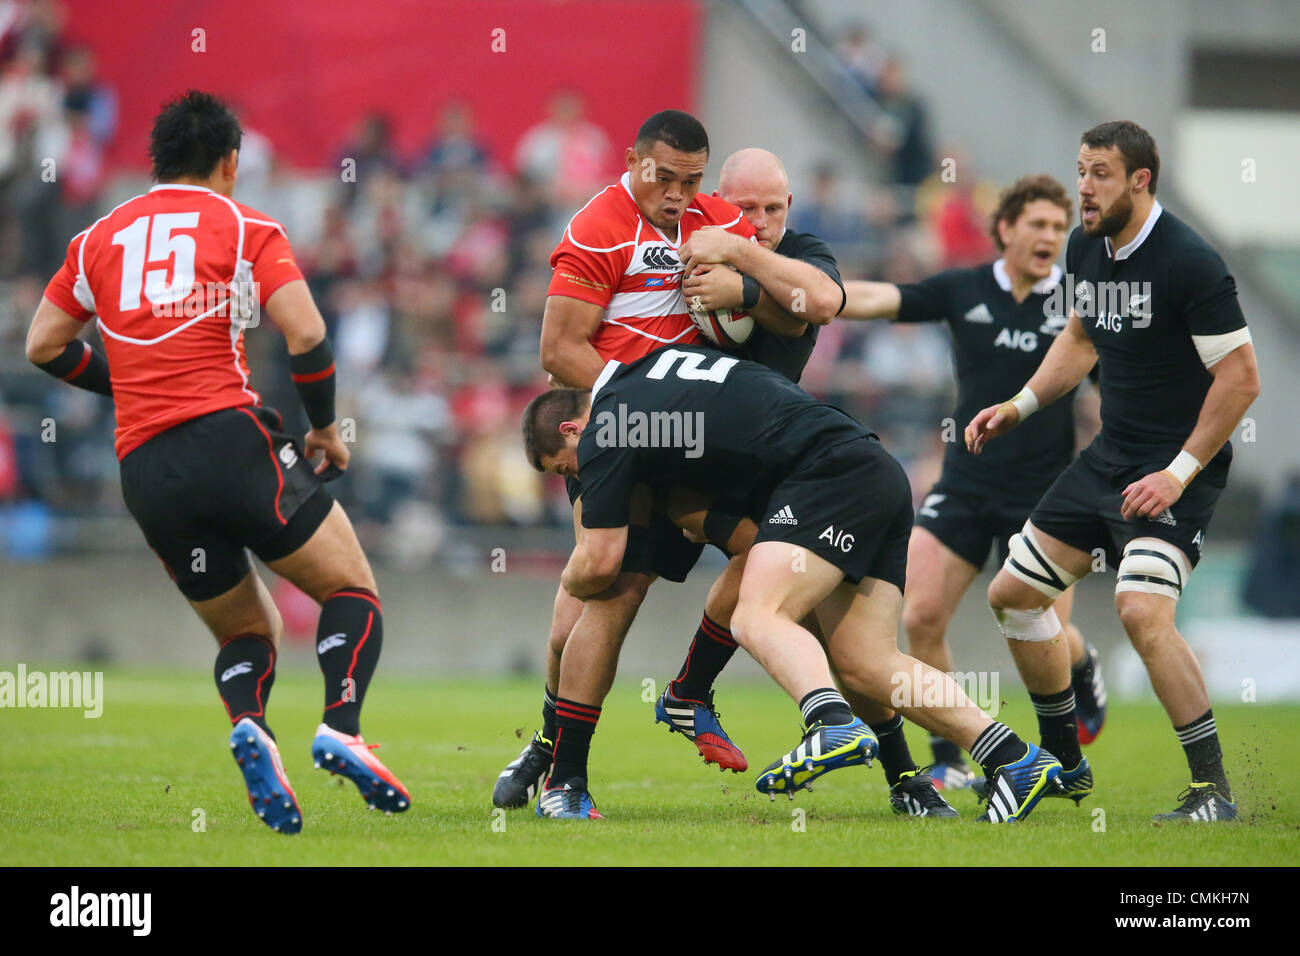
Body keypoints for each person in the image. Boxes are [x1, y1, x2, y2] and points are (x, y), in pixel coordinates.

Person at [24, 91, 410, 834]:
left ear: (156, 160)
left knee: (244, 633)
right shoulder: (243, 224)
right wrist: (325, 429)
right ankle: (340, 726)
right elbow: (306, 333)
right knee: (350, 586)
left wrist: (125, 382)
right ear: (230, 161)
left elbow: (42, 343)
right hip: (228, 437)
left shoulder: (96, 237)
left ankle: (251, 724)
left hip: (144, 468)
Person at [523, 345, 1063, 823]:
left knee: (758, 615)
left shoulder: (610, 424)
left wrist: (567, 573)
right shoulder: (661, 376)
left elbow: (597, 564)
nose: (573, 479)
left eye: (561, 468)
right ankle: (1014, 759)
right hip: (874, 470)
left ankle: (829, 721)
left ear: (573, 429)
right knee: (866, 661)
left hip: (826, 476)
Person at [966, 121, 1261, 822]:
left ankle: (1213, 791)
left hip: (1176, 467)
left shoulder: (1189, 260)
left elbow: (1242, 378)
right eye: (1080, 171)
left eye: (1099, 173)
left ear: (1140, 180)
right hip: (1108, 458)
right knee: (1011, 595)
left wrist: (1179, 473)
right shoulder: (1083, 246)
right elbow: (1080, 335)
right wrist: (1020, 404)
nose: (1084, 188)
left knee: (1139, 609)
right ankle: (1065, 766)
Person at [658, 147, 954, 817]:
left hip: (772, 458)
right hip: (693, 457)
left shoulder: (804, 252)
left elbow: (809, 306)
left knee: (835, 630)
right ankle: (560, 752)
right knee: (604, 588)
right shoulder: (681, 247)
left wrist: (741, 276)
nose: (760, 221)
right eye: (745, 209)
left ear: (790, 209)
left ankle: (909, 773)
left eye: (772, 209)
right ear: (716, 202)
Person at [492, 110, 762, 816]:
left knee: (769, 548)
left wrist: (751, 287)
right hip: (623, 438)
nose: (676, 193)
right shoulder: (596, 227)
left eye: (692, 180)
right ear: (633, 160)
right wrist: (645, 404)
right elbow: (558, 351)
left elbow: (793, 298)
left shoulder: (719, 223)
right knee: (607, 589)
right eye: (663, 176)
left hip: (695, 443)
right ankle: (559, 764)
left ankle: (691, 692)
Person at [836, 174, 1108, 797]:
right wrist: (807, 292)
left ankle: (1077, 686)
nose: (1047, 236)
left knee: (1043, 633)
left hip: (1042, 495)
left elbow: (1107, 390)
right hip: (963, 483)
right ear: (1006, 229)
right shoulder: (963, 288)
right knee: (923, 613)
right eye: (1035, 223)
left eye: (1055, 226)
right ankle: (949, 757)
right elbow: (884, 298)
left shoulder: (1074, 304)